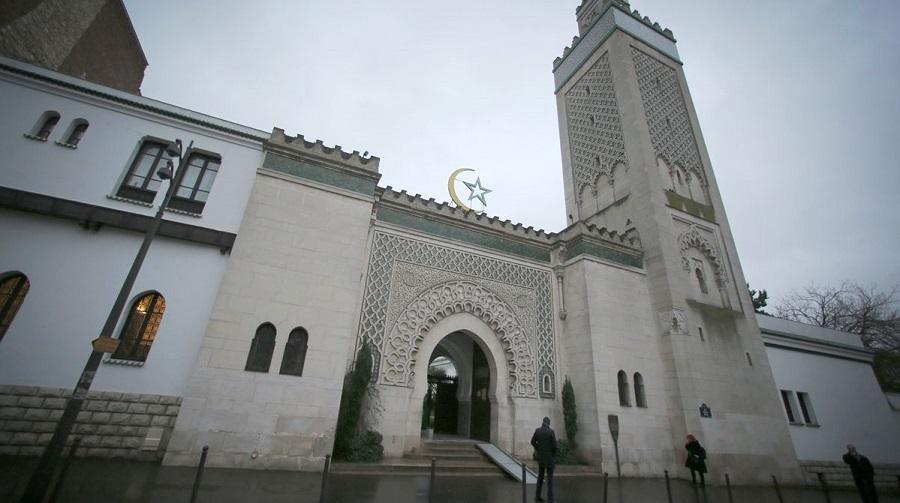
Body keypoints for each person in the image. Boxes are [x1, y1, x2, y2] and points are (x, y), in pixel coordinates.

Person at [531, 416, 557, 502]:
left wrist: (538, 448)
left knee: (540, 477)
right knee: (550, 479)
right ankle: (550, 499)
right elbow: (555, 446)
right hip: (549, 458)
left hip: (541, 458)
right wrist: (553, 455)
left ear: (543, 422)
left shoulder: (537, 431)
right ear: (548, 423)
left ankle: (537, 496)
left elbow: (532, 442)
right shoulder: (551, 432)